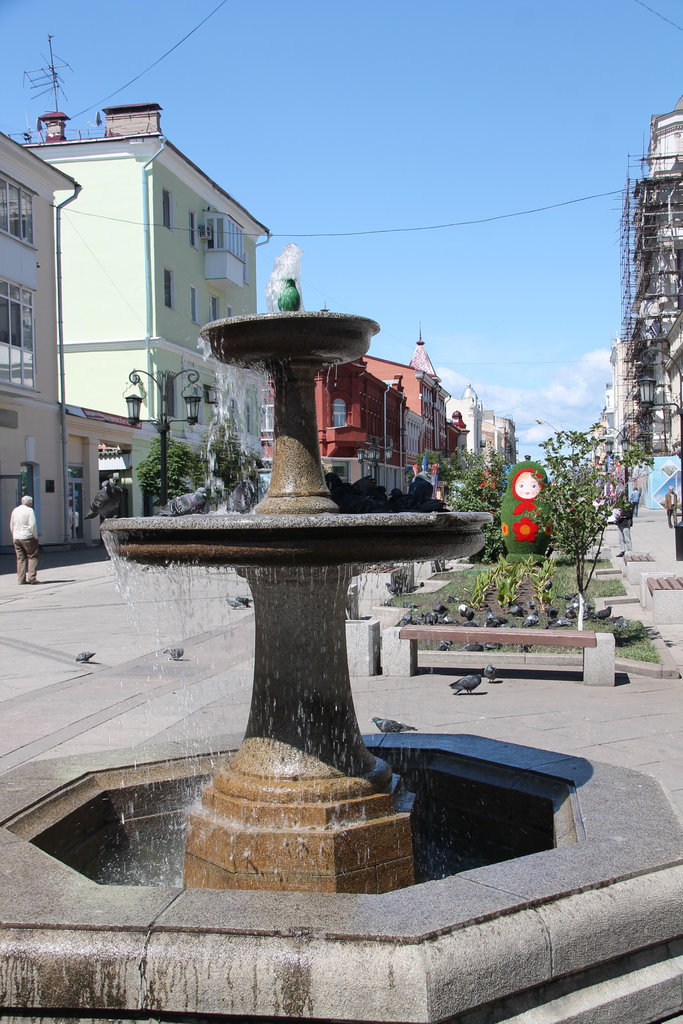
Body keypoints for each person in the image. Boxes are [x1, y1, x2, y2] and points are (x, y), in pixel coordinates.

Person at [10, 495, 39, 584]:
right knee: (33, 556)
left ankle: (21, 579)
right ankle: (32, 578)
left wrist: (14, 534)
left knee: (20, 559)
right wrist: (35, 535)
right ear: (30, 502)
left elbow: (12, 524)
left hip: (16, 537)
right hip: (27, 537)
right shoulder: (29, 510)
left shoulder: (15, 510)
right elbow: (33, 524)